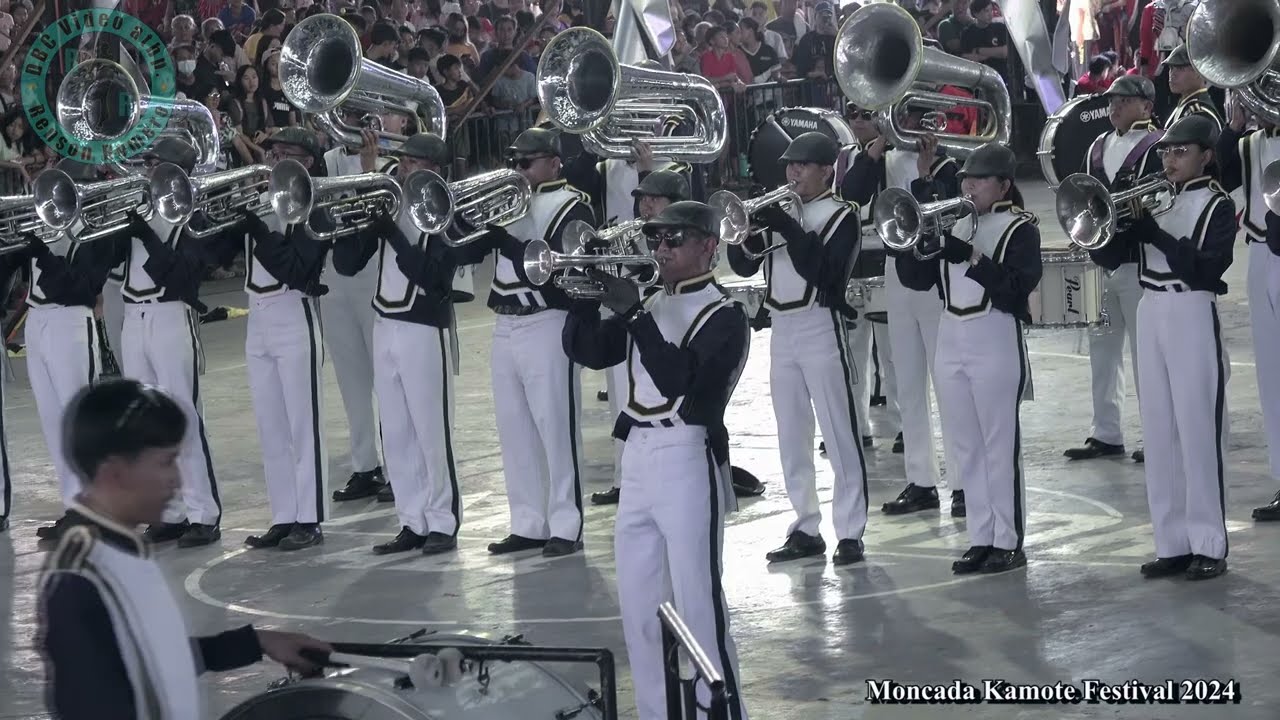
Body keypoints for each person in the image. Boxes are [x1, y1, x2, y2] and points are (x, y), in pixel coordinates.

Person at [36, 379, 332, 717]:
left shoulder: (122, 546)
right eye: (166, 463)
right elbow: (87, 701)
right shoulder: (81, 574)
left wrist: (257, 643)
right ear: (116, 473)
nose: (177, 479)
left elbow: (147, 659)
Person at [563, 200, 748, 720]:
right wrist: (581, 295)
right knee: (641, 611)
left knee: (698, 606)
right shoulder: (649, 300)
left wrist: (635, 313)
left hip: (686, 455)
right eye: (657, 240)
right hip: (638, 456)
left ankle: (722, 714)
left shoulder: (726, 314)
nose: (660, 249)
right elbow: (591, 351)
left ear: (708, 245)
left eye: (674, 239)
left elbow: (681, 383)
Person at [894, 143, 1042, 574]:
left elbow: (1016, 291)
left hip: (994, 336)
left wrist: (972, 257)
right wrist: (913, 241)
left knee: (1000, 446)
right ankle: (981, 536)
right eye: (966, 180)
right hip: (950, 337)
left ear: (1004, 185)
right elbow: (916, 280)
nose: (969, 185)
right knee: (966, 446)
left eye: (979, 180)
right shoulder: (955, 224)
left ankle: (1008, 540)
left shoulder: (1021, 228)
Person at [452, 128, 594, 557]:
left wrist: (505, 238)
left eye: (526, 163)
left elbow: (551, 265)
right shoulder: (508, 201)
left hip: (548, 322)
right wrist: (462, 220)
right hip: (505, 324)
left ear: (554, 163)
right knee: (514, 430)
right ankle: (528, 522)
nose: (517, 171)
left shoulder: (573, 204)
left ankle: (566, 524)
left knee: (556, 427)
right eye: (514, 163)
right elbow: (463, 254)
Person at [728, 132, 867, 566]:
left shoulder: (842, 214)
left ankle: (850, 532)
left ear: (826, 170)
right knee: (791, 435)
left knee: (840, 432)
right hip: (783, 330)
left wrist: (787, 225)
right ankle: (805, 526)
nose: (792, 172)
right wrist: (744, 234)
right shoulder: (783, 210)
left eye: (802, 165)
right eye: (789, 165)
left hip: (821, 326)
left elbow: (825, 273)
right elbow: (743, 265)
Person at [333, 132, 463, 556]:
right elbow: (347, 264)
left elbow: (431, 277)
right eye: (402, 161)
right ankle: (412, 519)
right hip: (384, 325)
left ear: (434, 169)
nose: (402, 168)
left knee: (430, 431)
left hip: (423, 328)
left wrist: (390, 232)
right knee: (397, 432)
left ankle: (442, 520)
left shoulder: (446, 212)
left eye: (412, 163)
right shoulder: (391, 203)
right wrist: (364, 212)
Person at [1126, 115, 1233, 580]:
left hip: (1191, 310)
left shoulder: (1218, 206)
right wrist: (1112, 230)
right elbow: (1116, 256)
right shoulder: (1153, 199)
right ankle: (1171, 542)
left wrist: (1157, 235)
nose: (1170, 159)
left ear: (1206, 155)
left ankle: (1209, 542)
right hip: (1150, 309)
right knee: (1160, 430)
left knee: (1197, 430)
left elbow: (1207, 270)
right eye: (1167, 151)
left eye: (1180, 151)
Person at [843, 120, 964, 517]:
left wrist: (927, 171)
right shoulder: (883, 157)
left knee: (946, 382)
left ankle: (963, 482)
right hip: (896, 270)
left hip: (934, 275)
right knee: (907, 380)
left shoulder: (947, 159)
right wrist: (876, 147)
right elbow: (851, 194)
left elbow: (950, 216)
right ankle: (921, 480)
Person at [110, 139, 222, 548]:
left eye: (156, 164)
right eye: (149, 164)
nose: (147, 171)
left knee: (183, 415)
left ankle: (203, 513)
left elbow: (180, 277)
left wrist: (147, 234)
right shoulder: (136, 209)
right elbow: (108, 262)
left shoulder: (194, 219)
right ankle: (169, 513)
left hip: (171, 314)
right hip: (133, 317)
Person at [236, 128, 334, 551]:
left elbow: (297, 269)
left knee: (302, 423)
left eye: (284, 154)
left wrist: (259, 230)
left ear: (306, 162)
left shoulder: (316, 210)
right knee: (270, 423)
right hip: (256, 315)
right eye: (272, 152)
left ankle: (309, 518)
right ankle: (283, 514)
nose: (272, 159)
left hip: (294, 313)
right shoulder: (263, 201)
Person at [1063, 75, 1163, 464]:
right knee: (1102, 354)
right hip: (1102, 260)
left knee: (1145, 356)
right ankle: (1106, 431)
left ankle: (1155, 432)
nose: (1114, 107)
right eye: (1112, 101)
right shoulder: (1097, 146)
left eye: (1124, 100)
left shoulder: (1157, 145)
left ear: (1146, 106)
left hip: (1139, 262)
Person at [19, 159, 119, 541]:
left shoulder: (98, 231)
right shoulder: (42, 223)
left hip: (71, 323)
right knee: (53, 423)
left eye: (68, 189)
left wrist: (42, 253)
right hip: (38, 321)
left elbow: (84, 287)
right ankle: (74, 508)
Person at [577, 169, 691, 506]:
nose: (645, 206)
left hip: (664, 330)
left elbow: (664, 280)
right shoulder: (630, 234)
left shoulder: (683, 241)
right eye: (642, 199)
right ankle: (624, 477)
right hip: (626, 329)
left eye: (654, 200)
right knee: (621, 403)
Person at [322, 113, 390, 503]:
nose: (346, 120)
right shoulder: (326, 159)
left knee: (387, 378)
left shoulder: (388, 161)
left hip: (374, 275)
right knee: (351, 381)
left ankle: (398, 467)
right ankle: (366, 465)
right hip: (334, 276)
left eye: (352, 114)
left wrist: (370, 168)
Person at [1218, 94, 1280, 522]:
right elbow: (1225, 178)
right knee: (1271, 374)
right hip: (1261, 254)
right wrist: (1235, 126)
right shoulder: (1250, 142)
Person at [1160, 44, 1223, 130]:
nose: (1172, 74)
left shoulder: (1199, 113)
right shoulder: (1185, 104)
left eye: (1180, 68)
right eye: (1171, 68)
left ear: (1198, 71)